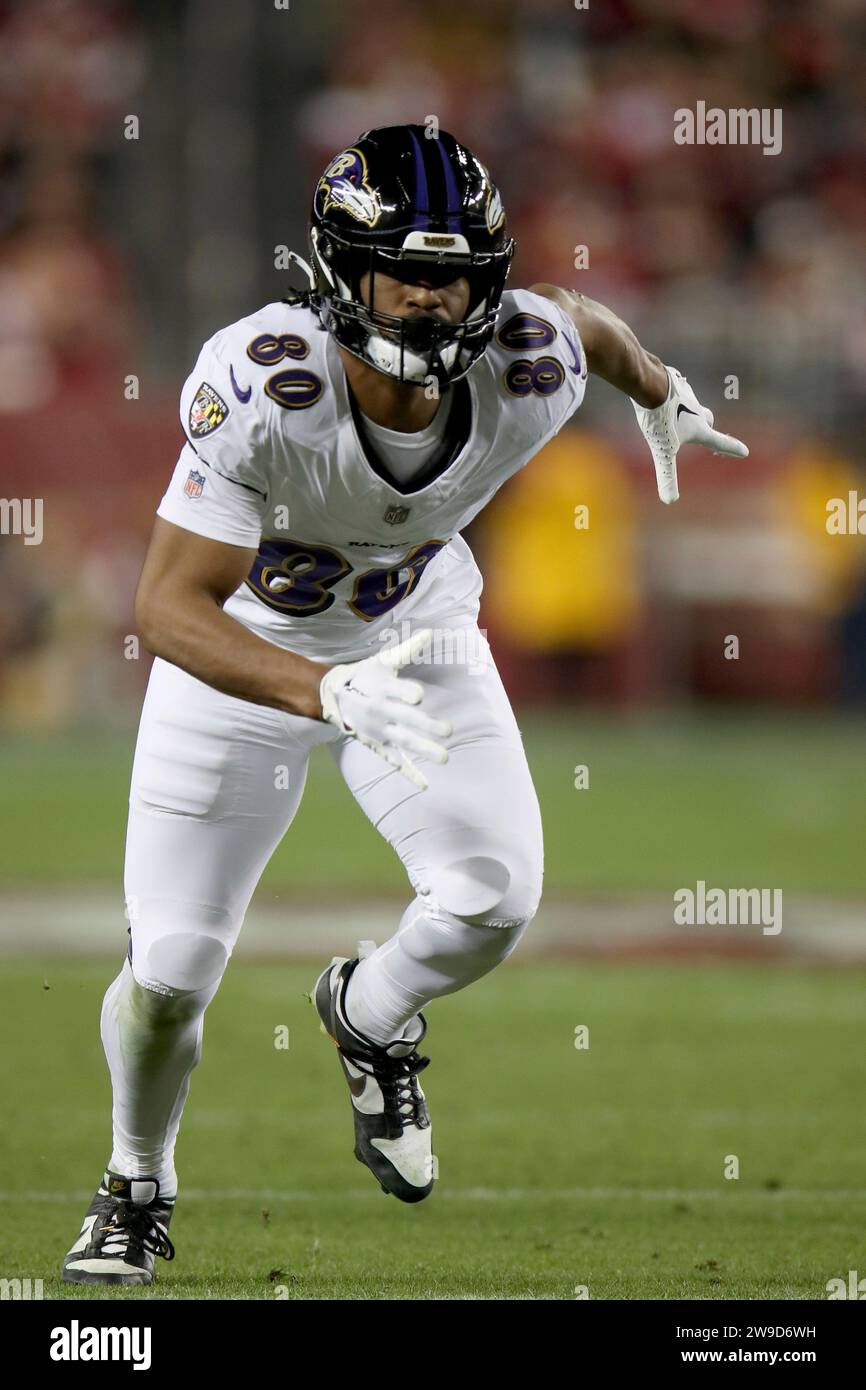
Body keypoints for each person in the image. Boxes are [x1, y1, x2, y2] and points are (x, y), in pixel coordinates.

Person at [61, 125, 747, 1285]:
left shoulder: (525, 365)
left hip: (416, 634)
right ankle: (135, 1182)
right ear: (343, 269)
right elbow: (169, 609)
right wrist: (319, 687)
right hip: (248, 655)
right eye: (406, 272)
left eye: (455, 276)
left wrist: (659, 388)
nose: (432, 301)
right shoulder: (262, 383)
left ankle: (369, 1013)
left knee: (493, 897)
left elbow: (578, 316)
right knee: (173, 968)